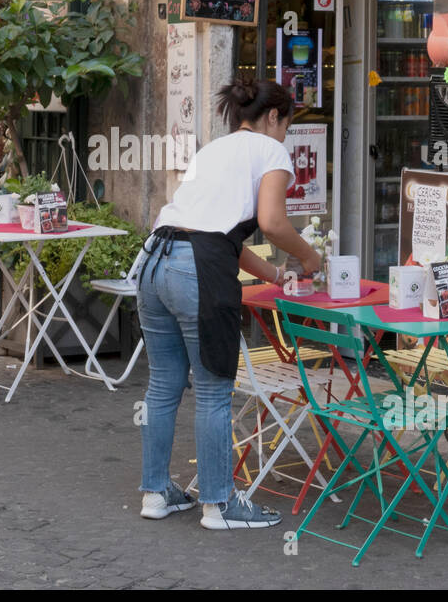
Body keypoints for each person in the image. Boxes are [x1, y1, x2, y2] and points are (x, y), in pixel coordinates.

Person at [136, 77, 324, 529]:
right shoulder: (270, 151)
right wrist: (308, 257)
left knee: (163, 385)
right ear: (275, 116)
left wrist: (278, 275)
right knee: (214, 390)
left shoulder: (213, 150)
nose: (285, 136)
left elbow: (219, 231)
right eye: (286, 125)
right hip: (198, 270)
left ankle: (156, 493)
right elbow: (272, 222)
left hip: (154, 261)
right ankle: (218, 505)